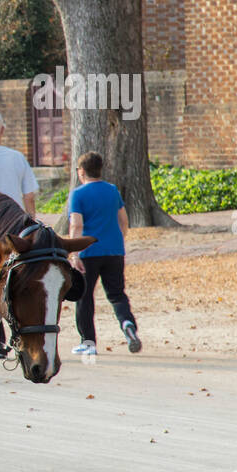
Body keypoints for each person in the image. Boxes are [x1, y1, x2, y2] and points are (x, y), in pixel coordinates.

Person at [68, 152, 141, 356]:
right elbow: (124, 220)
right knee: (117, 294)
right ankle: (127, 324)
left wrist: (74, 253)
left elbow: (76, 224)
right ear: (100, 169)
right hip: (114, 250)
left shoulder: (78, 194)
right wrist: (119, 240)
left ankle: (88, 342)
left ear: (81, 171)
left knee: (84, 296)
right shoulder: (112, 190)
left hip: (88, 251)